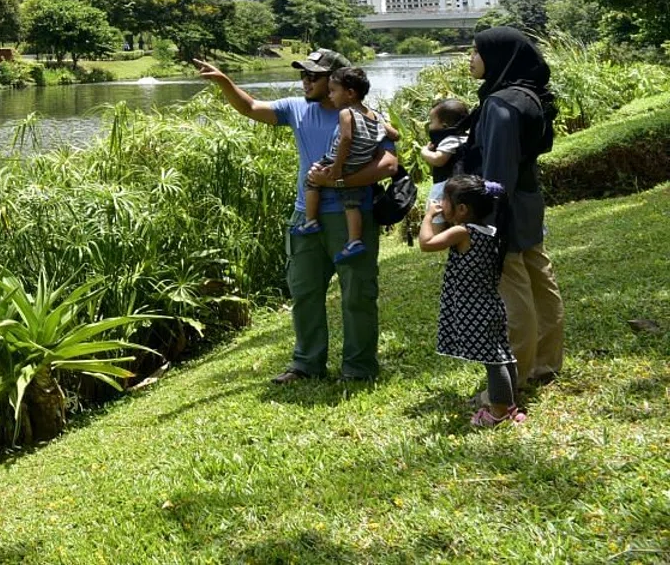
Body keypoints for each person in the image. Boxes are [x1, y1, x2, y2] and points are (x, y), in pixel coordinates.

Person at [196, 49, 399, 383]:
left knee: (358, 295)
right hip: (306, 217)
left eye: (314, 76)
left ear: (336, 80)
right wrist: (224, 82)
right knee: (304, 293)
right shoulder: (296, 108)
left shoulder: (364, 115)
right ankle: (306, 364)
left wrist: (337, 182)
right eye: (303, 75)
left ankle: (359, 368)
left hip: (352, 217)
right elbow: (250, 107)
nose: (306, 81)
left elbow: (388, 165)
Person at [470, 26, 564, 393]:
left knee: (513, 290)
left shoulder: (500, 104)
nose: (471, 59)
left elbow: (497, 169)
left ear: (497, 57)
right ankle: (545, 362)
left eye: (476, 52)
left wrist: (487, 219)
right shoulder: (529, 95)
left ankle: (514, 376)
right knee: (539, 278)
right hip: (529, 197)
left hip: (504, 205)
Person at [418, 174, 523, 427]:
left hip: (474, 308)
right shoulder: (489, 231)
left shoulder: (462, 231)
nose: (441, 203)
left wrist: (429, 216)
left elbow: (427, 244)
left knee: (493, 359)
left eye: (445, 199)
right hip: (490, 304)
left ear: (462, 209)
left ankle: (498, 413)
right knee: (502, 354)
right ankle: (509, 405)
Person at [296, 66, 394, 264]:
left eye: (333, 91)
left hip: (342, 162)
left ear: (350, 93)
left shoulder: (346, 113)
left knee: (311, 179)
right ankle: (354, 241)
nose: (330, 95)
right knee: (351, 203)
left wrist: (337, 167)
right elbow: (395, 134)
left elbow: (346, 139)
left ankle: (310, 221)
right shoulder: (376, 116)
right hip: (359, 166)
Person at [420, 98, 476, 227]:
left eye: (432, 122)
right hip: (460, 185)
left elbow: (439, 159)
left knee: (436, 213)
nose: (430, 125)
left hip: (444, 186)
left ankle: (435, 233)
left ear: (444, 126)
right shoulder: (467, 138)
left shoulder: (450, 139)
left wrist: (424, 152)